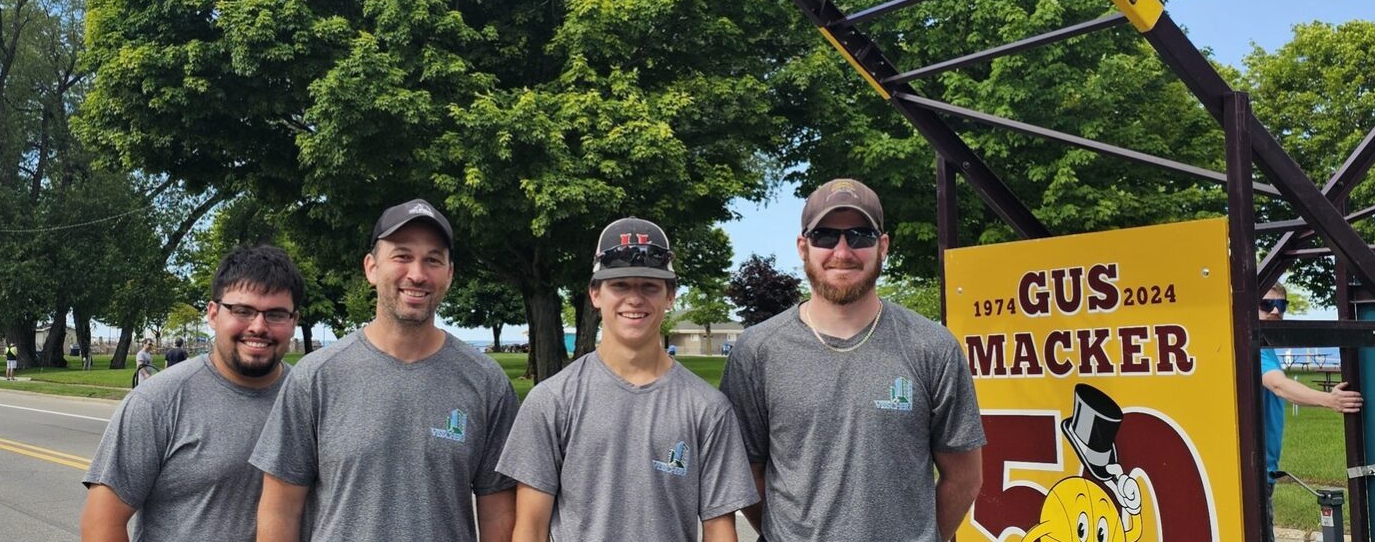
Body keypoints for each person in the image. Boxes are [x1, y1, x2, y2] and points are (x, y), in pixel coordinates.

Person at [719, 178, 986, 542]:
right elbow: (747, 473)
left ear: (883, 246)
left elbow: (964, 476)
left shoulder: (932, 347)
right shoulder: (756, 351)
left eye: (860, 236)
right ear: (803, 246)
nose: (842, 252)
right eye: (825, 236)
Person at [252, 199, 518, 542]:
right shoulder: (316, 377)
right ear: (371, 268)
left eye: (433, 260)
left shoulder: (486, 382)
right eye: (402, 256)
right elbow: (280, 509)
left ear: (449, 275)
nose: (418, 274)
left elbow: (498, 511)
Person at [497, 217, 759, 542]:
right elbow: (530, 529)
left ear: (670, 296)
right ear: (595, 293)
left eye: (649, 285)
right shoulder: (551, 401)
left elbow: (719, 529)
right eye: (619, 284)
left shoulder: (708, 409)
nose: (634, 298)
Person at [80, 245, 306, 542]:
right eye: (242, 311)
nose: (258, 326)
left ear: (294, 321)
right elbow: (101, 524)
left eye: (276, 314)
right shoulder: (157, 402)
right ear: (213, 314)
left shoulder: (310, 397)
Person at [1259, 283, 1363, 542]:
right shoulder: (1255, 347)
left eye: (1281, 305)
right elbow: (1278, 384)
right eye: (1265, 304)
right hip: (1254, 469)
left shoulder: (1264, 345)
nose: (1274, 311)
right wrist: (1330, 400)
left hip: (1262, 467)